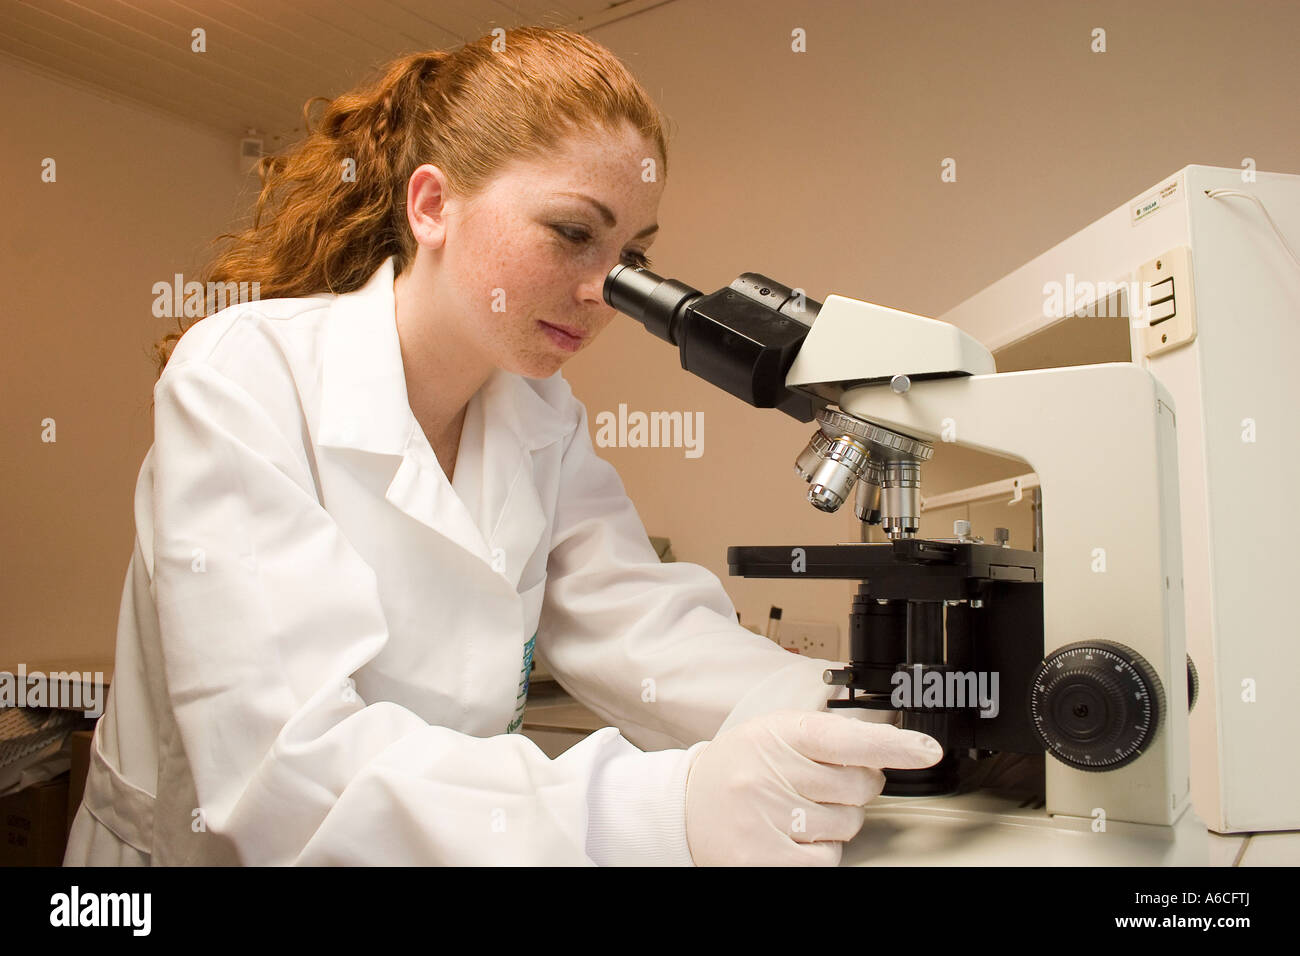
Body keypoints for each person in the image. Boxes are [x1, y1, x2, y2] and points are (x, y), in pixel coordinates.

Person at [63, 26, 941, 867]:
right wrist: (656, 812)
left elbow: (644, 632)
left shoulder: (537, 414)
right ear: (434, 204)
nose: (605, 290)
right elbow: (285, 779)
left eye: (633, 253)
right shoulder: (249, 373)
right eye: (572, 233)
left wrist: (868, 706)